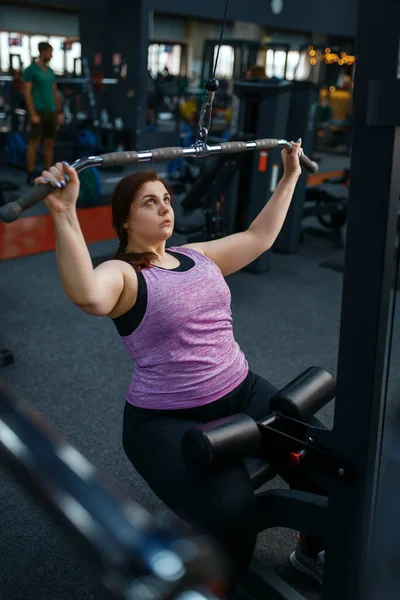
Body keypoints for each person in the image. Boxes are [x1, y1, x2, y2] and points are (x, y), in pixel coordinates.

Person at [35, 141, 326, 591]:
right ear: (126, 220)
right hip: (168, 420)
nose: (165, 207)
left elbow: (258, 237)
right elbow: (87, 293)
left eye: (166, 199)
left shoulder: (197, 255)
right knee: (233, 512)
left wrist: (289, 175)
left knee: (324, 460)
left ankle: (311, 551)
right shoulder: (124, 274)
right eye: (149, 202)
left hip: (241, 390)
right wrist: (64, 212)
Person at [23, 42, 63, 186]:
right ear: (43, 52)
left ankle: (47, 172)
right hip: (38, 111)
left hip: (51, 111)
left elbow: (55, 92)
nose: (51, 56)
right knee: (34, 142)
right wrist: (32, 114)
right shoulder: (30, 70)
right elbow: (27, 92)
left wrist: (59, 111)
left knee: (50, 143)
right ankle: (30, 173)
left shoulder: (50, 71)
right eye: (50, 52)